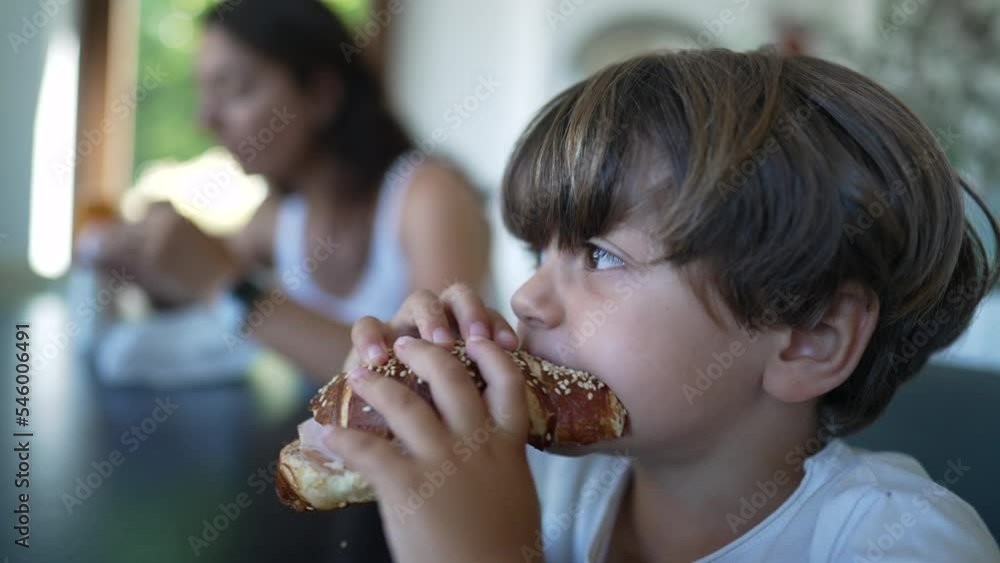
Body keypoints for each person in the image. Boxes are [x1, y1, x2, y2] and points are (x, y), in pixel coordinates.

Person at [310, 49, 1000, 562]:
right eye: (537, 254)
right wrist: (378, 421)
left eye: (603, 255)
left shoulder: (902, 542)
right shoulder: (538, 473)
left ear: (809, 336)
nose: (525, 299)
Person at [90, 0, 492, 383]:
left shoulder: (427, 196)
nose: (205, 118)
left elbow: (432, 375)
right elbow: (196, 289)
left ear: (321, 94)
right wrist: (146, 259)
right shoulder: (282, 214)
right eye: (204, 92)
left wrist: (225, 283)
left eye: (233, 89)